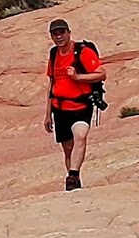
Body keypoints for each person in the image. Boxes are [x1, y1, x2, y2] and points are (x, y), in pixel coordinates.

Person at [43, 18, 103, 191]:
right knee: (68, 148)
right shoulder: (54, 54)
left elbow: (101, 74)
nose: (59, 36)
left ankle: (73, 175)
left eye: (62, 32)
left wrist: (78, 77)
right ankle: (74, 181)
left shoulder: (82, 51)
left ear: (69, 33)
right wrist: (48, 114)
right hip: (60, 108)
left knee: (81, 135)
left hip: (80, 106)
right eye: (55, 33)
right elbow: (51, 84)